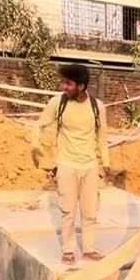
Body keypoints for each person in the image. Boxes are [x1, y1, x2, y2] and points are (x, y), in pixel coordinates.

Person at [34, 64, 111, 264]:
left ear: (81, 85)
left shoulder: (97, 107)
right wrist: (35, 146)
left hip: (90, 166)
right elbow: (40, 124)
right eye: (63, 82)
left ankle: (89, 249)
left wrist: (106, 163)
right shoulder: (57, 103)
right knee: (68, 211)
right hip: (66, 165)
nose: (64, 87)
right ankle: (68, 250)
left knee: (90, 211)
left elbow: (102, 136)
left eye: (68, 83)